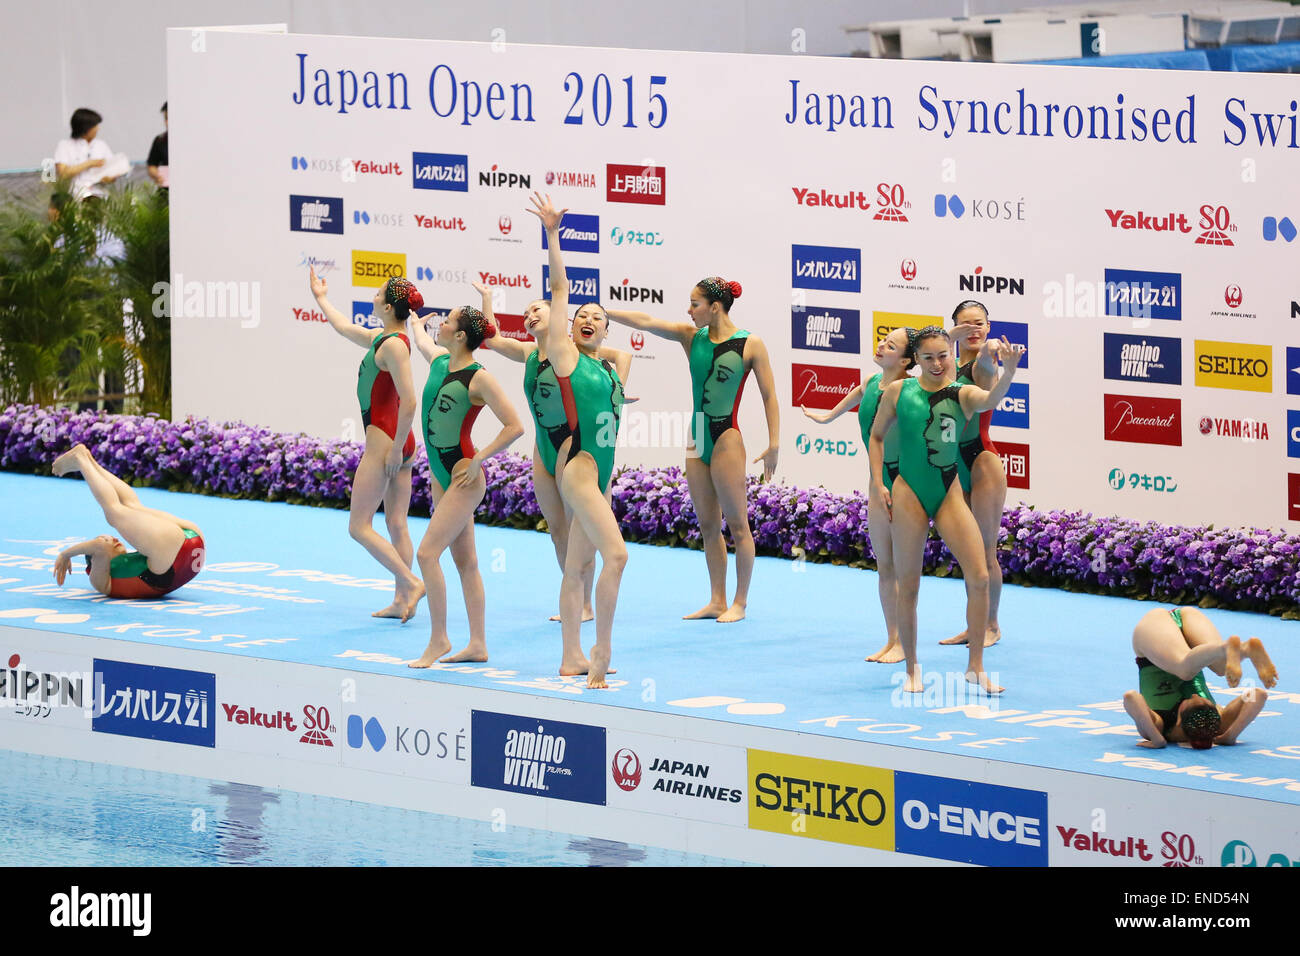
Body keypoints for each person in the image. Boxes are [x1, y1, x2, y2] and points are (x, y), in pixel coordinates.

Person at [605, 280, 779, 623]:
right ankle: (717, 599)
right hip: (697, 437)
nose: (689, 310)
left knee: (738, 526)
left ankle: (739, 603)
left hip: (727, 436)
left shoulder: (750, 343)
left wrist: (774, 443)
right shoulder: (691, 337)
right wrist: (603, 312)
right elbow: (646, 322)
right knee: (708, 524)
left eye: (695, 303)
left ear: (715, 307)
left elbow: (769, 395)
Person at [869, 326, 1024, 694]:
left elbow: (991, 399)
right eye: (928, 357)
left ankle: (975, 667)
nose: (938, 364)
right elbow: (876, 437)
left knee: (980, 576)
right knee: (909, 586)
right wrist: (878, 482)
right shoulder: (898, 391)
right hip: (908, 493)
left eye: (943, 356)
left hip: (949, 491)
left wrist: (1010, 373)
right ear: (915, 361)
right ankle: (911, 670)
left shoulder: (961, 394)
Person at [480, 284, 632, 622]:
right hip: (542, 446)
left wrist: (616, 390)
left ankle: (587, 604)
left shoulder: (571, 354)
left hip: (572, 445)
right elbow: (491, 340)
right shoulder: (529, 354)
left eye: (538, 310)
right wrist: (488, 300)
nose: (530, 316)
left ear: (560, 318)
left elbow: (622, 356)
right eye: (527, 313)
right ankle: (573, 595)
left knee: (581, 528)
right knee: (557, 531)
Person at [526, 192, 627, 688]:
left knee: (577, 565)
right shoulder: (564, 357)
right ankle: (600, 652)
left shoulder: (607, 370)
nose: (587, 319)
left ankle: (570, 657)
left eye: (597, 318)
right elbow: (560, 286)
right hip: (580, 467)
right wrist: (552, 235)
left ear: (606, 331)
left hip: (599, 473)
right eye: (580, 315)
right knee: (618, 556)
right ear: (570, 326)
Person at [406, 298, 524, 666]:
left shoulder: (479, 377)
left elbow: (515, 426)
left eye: (446, 322)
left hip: (462, 476)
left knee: (426, 554)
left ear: (459, 336)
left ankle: (439, 638)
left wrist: (479, 459)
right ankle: (477, 645)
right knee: (467, 562)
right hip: (442, 475)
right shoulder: (440, 361)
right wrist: (414, 324)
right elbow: (424, 342)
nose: (438, 325)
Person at [310, 268, 424, 621]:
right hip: (399, 440)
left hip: (385, 442)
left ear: (390, 307)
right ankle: (402, 601)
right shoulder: (383, 338)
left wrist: (390, 451)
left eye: (378, 294)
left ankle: (410, 582)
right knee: (396, 523)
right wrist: (322, 298)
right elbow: (345, 327)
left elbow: (409, 400)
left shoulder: (393, 347)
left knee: (358, 526)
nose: (373, 296)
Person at [803, 327, 914, 663]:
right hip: (876, 481)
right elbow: (857, 393)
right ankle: (892, 638)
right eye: (883, 340)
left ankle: (906, 646)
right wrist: (827, 417)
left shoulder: (908, 389)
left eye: (891, 345)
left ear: (908, 360)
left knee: (904, 568)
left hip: (904, 481)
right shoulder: (872, 382)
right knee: (884, 567)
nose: (881, 345)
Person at [50, 444, 204, 598]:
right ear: (95, 560)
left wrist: (68, 554)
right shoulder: (100, 582)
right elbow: (99, 547)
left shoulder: (137, 557)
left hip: (177, 551)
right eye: (107, 540)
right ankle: (82, 460)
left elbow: (100, 546)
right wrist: (66, 554)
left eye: (107, 537)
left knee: (131, 506)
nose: (111, 538)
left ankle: (88, 460)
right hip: (177, 551)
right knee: (114, 512)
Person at [941, 301, 1007, 650]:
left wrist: (991, 347)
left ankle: (992, 624)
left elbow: (988, 355)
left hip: (982, 462)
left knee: (985, 552)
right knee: (968, 554)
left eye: (979, 324)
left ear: (988, 325)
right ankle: (974, 624)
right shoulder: (944, 364)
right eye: (965, 325)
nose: (973, 330)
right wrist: (949, 339)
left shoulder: (984, 363)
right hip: (954, 465)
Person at [1123, 607, 1277, 749]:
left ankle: (1228, 649)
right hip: (1189, 624)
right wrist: (1230, 735)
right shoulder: (1216, 723)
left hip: (1154, 628)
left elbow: (1131, 697)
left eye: (1190, 700)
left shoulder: (1158, 725)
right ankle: (1242, 649)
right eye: (1207, 702)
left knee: (1184, 670)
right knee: (1220, 668)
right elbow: (1258, 695)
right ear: (1215, 716)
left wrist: (1157, 739)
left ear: (1178, 720)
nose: (1195, 694)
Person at [53, 108, 120, 201]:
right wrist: (89, 163)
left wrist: (109, 178)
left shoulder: (101, 145)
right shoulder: (65, 146)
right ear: (85, 128)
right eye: (95, 126)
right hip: (75, 197)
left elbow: (113, 173)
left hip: (100, 196)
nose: (97, 129)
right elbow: (63, 173)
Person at [147, 102, 168, 190]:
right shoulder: (160, 140)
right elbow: (152, 165)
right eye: (165, 118)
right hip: (166, 190)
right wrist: (157, 175)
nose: (167, 122)